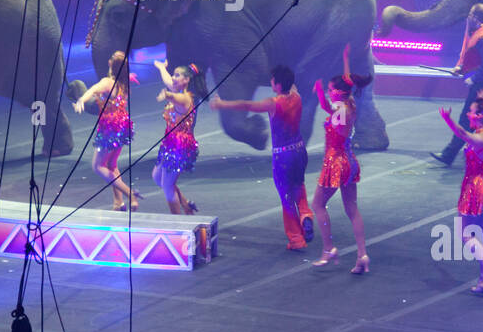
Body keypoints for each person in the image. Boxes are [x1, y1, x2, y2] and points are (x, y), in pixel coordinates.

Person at [211, 65, 316, 251]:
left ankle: (296, 239)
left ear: (276, 84)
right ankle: (306, 214)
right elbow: (293, 86)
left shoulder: (272, 103)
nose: (270, 82)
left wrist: (222, 104)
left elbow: (246, 105)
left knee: (286, 197)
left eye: (273, 80)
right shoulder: (297, 97)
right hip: (300, 151)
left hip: (283, 156)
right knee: (299, 185)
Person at [438, 92, 483, 295]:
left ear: (480, 116)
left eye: (471, 112)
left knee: (465, 235)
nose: (468, 115)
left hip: (477, 186)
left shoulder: (480, 137)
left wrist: (448, 120)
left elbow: (463, 134)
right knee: (479, 233)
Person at [310, 45, 373, 274]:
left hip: (336, 162)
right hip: (350, 160)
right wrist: (346, 58)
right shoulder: (351, 103)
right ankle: (362, 255)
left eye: (329, 89)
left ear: (337, 92)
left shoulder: (338, 106)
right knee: (352, 209)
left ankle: (328, 249)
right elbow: (347, 83)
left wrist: (318, 92)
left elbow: (328, 107)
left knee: (317, 204)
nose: (328, 91)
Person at [431, 3, 483, 167]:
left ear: (476, 18)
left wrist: (475, 78)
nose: (468, 18)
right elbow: (475, 59)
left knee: (467, 119)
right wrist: (461, 69)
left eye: (470, 15)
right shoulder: (478, 33)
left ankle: (449, 154)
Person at [73, 51, 138, 211]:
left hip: (110, 127)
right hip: (123, 125)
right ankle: (118, 203)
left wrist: (82, 99)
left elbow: (93, 89)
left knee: (98, 166)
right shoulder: (124, 82)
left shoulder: (107, 82)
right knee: (111, 164)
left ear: (110, 63)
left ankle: (130, 194)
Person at [151, 59, 205, 215]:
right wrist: (161, 67)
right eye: (174, 75)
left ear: (186, 80)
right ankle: (187, 205)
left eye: (177, 75)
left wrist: (167, 95)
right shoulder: (178, 89)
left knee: (167, 186)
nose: (173, 78)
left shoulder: (186, 98)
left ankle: (177, 221)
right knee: (156, 177)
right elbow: (167, 80)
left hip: (180, 147)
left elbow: (177, 99)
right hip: (170, 143)